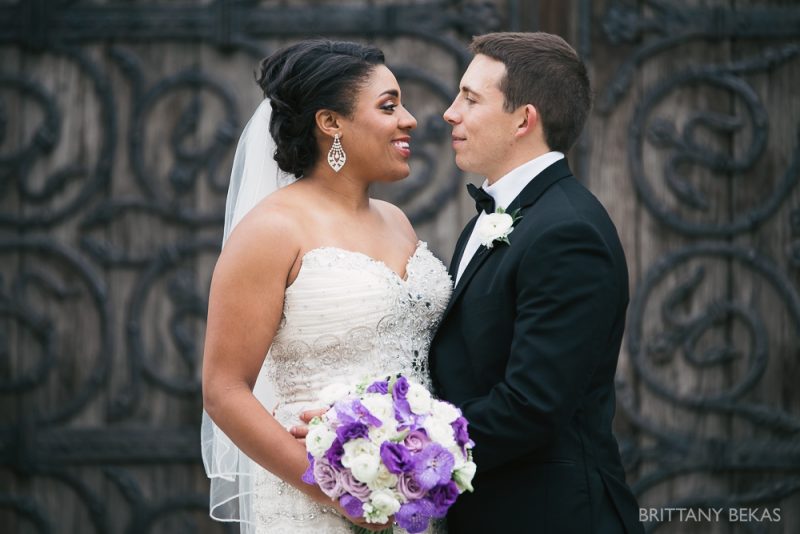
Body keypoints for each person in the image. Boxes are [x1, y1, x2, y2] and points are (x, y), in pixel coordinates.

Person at [201, 39, 452, 534]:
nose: (409, 120)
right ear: (330, 122)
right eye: (389, 106)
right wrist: (340, 493)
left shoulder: (397, 221)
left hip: (411, 495)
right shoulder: (272, 229)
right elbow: (223, 390)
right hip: (315, 498)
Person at [428, 32, 643, 533]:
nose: (450, 113)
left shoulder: (568, 232)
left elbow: (531, 405)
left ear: (524, 120)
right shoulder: (497, 217)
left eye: (470, 99)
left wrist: (408, 449)